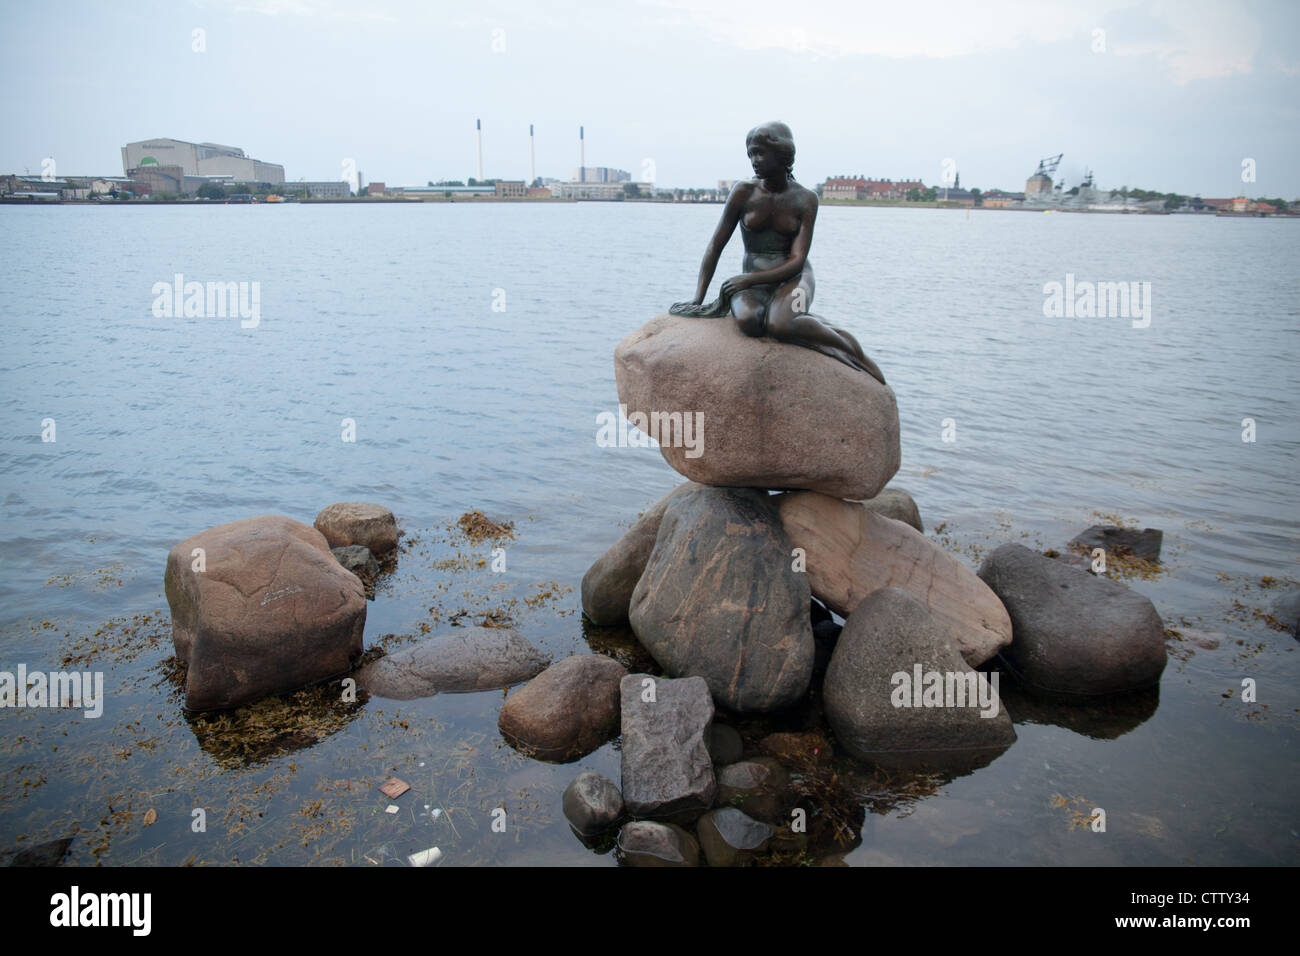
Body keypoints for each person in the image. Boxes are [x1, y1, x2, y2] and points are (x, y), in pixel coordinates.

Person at [670, 121, 886, 384]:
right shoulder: (743, 192)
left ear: (782, 154)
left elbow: (797, 260)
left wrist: (745, 281)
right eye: (750, 153)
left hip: (794, 278)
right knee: (749, 322)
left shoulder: (805, 199)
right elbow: (715, 246)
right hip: (754, 279)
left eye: (760, 153)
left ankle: (852, 350)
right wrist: (698, 297)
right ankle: (804, 321)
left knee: (780, 325)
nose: (754, 160)